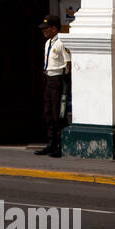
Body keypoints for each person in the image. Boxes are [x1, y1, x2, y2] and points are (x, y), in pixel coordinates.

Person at [34, 14, 71, 157]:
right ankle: (51, 143)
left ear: (54, 28)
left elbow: (68, 63)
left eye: (46, 28)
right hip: (49, 80)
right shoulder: (48, 43)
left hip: (58, 80)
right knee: (48, 113)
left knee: (58, 114)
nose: (44, 31)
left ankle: (61, 145)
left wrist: (65, 82)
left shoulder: (61, 42)